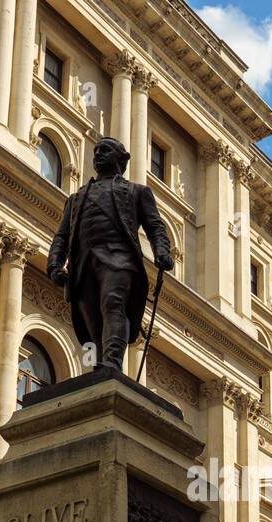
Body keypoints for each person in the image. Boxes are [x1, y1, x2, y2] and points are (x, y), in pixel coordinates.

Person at [46, 137, 175, 372]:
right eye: (95, 151)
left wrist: (162, 252)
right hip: (83, 263)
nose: (98, 155)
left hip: (120, 258)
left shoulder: (137, 192)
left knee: (113, 303)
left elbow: (155, 227)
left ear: (121, 158)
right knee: (92, 319)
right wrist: (54, 264)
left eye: (105, 150)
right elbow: (62, 236)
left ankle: (113, 362)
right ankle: (101, 368)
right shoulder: (76, 199)